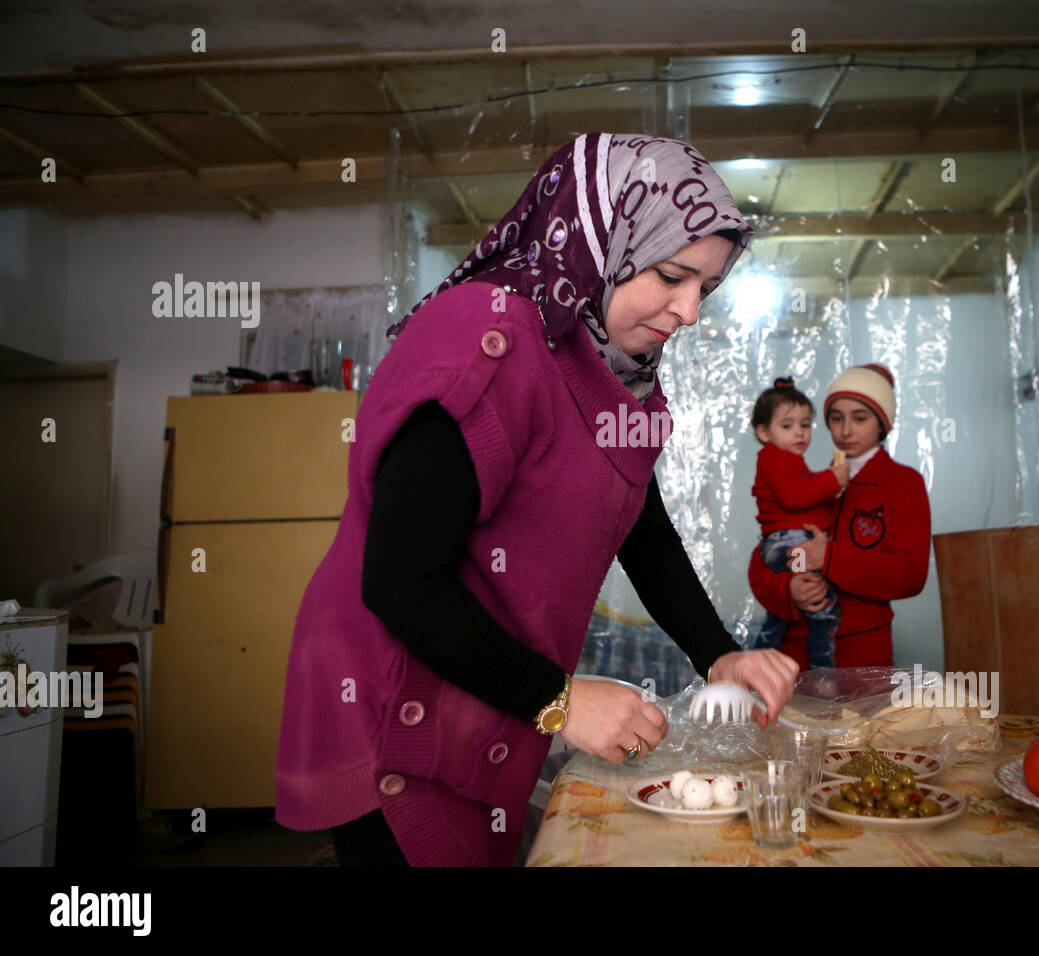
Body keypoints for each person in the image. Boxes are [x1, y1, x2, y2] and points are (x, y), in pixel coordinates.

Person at [275, 133, 800, 867]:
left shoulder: (613, 368)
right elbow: (401, 583)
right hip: (393, 702)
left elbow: (637, 521)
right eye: (672, 276)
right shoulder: (485, 342)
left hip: (482, 682)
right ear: (601, 245)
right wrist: (561, 700)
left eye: (704, 289)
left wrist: (716, 654)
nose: (687, 312)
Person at [748, 364, 931, 669]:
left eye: (860, 418)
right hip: (792, 656)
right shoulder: (814, 482)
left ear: (882, 424)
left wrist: (829, 558)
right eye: (836, 418)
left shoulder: (903, 482)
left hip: (862, 656)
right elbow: (767, 552)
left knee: (866, 719)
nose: (845, 430)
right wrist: (788, 591)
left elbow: (910, 575)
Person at [749, 377, 848, 668]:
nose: (800, 433)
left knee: (788, 610)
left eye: (805, 425)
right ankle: (822, 671)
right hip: (787, 543)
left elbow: (810, 509)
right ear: (764, 432)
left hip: (788, 541)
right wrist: (832, 480)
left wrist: (832, 486)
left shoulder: (789, 460)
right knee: (822, 604)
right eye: (788, 425)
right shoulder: (775, 458)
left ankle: (762, 664)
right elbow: (793, 498)